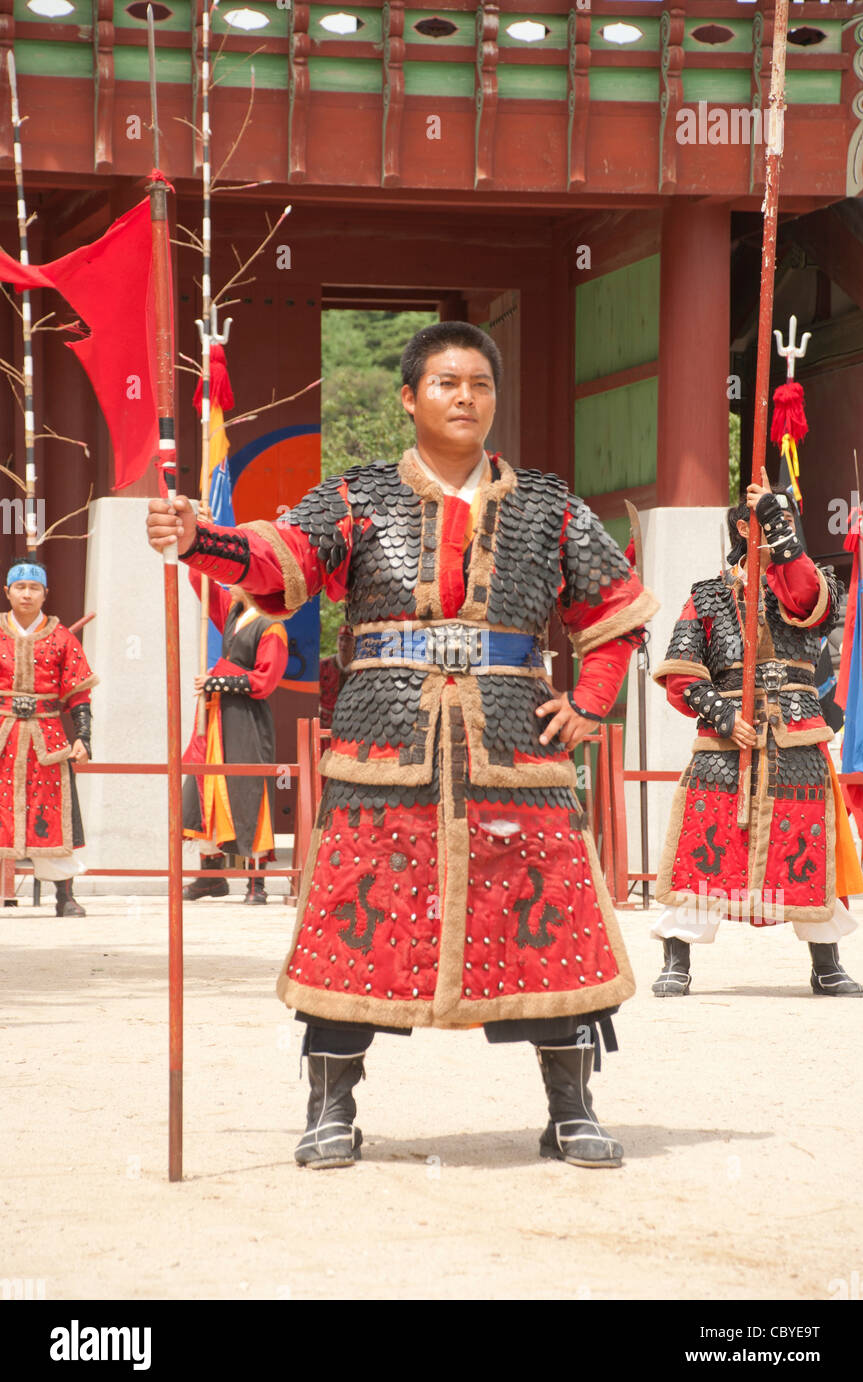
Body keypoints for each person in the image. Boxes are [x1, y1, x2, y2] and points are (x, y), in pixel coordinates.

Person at [147, 321, 658, 1170]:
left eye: (480, 385)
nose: (466, 398)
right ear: (409, 397)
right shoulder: (355, 497)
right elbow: (280, 559)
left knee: (545, 923)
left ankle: (570, 1108)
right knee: (354, 923)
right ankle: (330, 1109)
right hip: (384, 743)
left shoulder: (549, 505)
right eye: (448, 383)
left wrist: (593, 703)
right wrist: (202, 538)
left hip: (514, 743)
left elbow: (617, 610)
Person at [651, 470, 863, 998]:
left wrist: (775, 511)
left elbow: (805, 598)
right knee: (704, 843)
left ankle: (826, 961)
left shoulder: (810, 585)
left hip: (795, 736)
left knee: (806, 845)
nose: (776, 535)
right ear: (744, 533)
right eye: (766, 526)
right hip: (725, 743)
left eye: (782, 526)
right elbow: (680, 669)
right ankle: (677, 958)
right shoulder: (706, 595)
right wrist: (723, 717)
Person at [182, 575, 288, 905]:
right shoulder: (233, 609)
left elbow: (265, 680)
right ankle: (210, 875)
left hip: (247, 719)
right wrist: (195, 535)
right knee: (204, 786)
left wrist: (218, 682)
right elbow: (202, 583)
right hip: (217, 717)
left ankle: (257, 882)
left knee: (248, 791)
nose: (228, 584)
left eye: (236, 577)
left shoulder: (272, 625)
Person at [0, 559, 95, 915]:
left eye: (34, 588)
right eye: (20, 587)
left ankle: (64, 895)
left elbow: (79, 694)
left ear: (45, 594)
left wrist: (84, 737)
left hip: (47, 738)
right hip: (2, 734)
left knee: (54, 814)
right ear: (7, 591)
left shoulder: (61, 638)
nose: (26, 594)